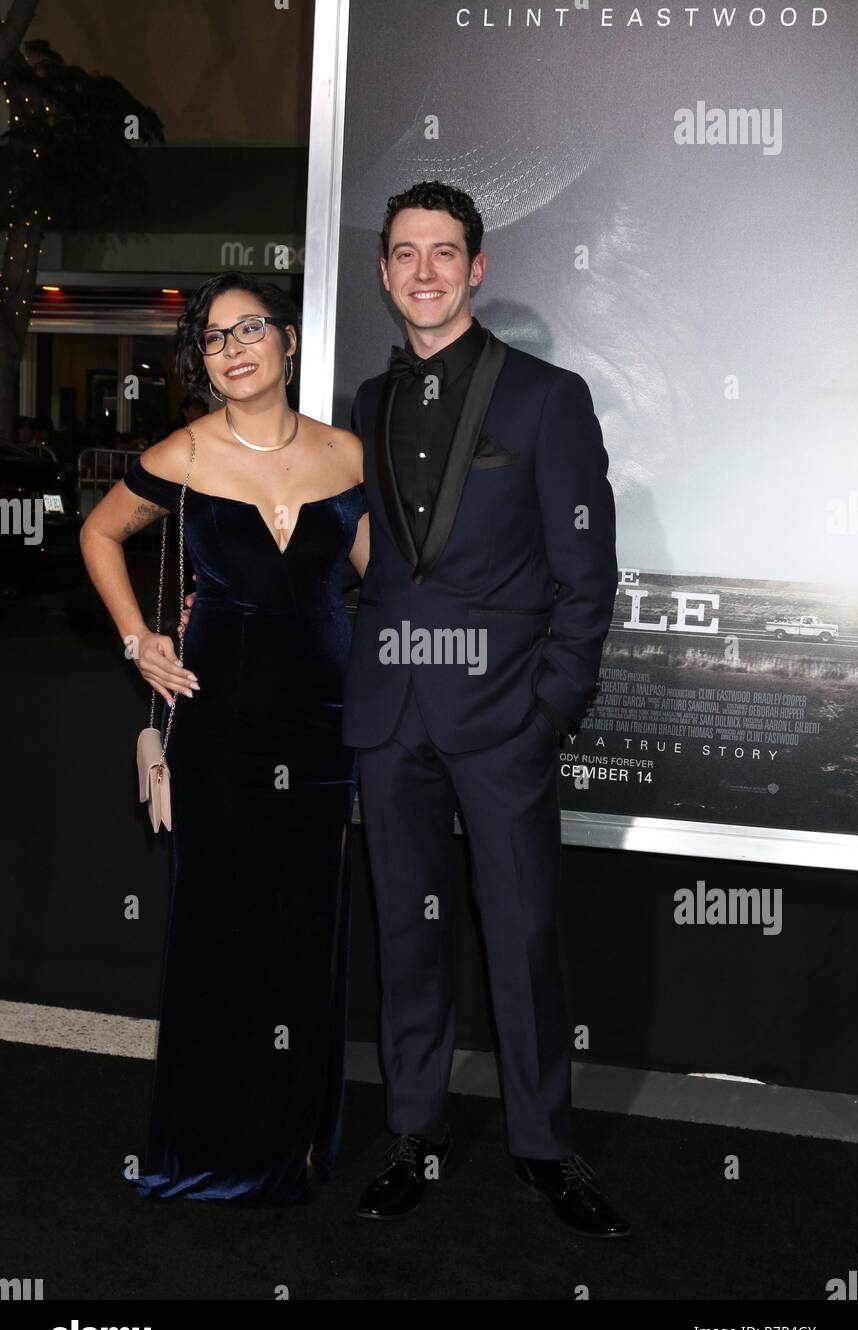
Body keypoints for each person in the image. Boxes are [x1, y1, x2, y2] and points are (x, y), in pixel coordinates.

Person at [343, 181, 628, 1235]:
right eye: (404, 253)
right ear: (382, 272)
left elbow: (585, 572)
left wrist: (551, 706)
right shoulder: (364, 407)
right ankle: (415, 1135)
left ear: (476, 268)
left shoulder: (546, 398)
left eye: (443, 252)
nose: (423, 271)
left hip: (502, 715)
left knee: (520, 935)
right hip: (389, 714)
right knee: (406, 938)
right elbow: (361, 556)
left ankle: (544, 1145)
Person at [79, 271, 369, 1205]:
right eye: (212, 338)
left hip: (325, 729)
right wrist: (141, 639)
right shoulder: (186, 454)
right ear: (201, 362)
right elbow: (98, 532)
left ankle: (296, 1145)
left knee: (305, 938)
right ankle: (208, 1150)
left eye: (250, 329)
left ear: (287, 341)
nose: (234, 347)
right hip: (222, 732)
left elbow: (392, 580)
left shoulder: (350, 455)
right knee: (218, 939)